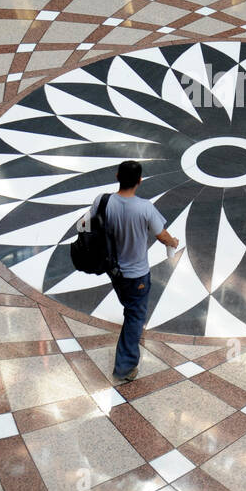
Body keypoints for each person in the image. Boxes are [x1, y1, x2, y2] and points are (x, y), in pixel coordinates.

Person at [82, 160, 180, 382]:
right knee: (135, 317)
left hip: (112, 270)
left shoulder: (102, 200)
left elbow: (85, 225)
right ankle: (124, 368)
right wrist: (173, 242)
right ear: (139, 181)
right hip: (136, 275)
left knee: (129, 305)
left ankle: (129, 316)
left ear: (117, 176)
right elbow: (162, 235)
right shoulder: (145, 208)